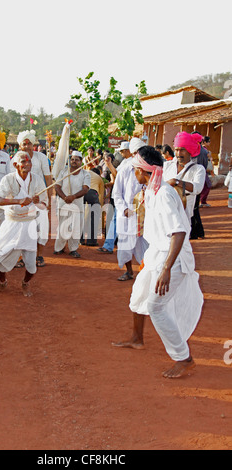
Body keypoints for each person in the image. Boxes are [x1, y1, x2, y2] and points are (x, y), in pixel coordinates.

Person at [113, 146, 204, 379]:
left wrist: (165, 270)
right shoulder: (152, 189)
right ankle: (137, 338)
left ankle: (184, 358)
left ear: (144, 171)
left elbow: (179, 232)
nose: (133, 173)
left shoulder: (163, 193)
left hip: (172, 258)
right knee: (138, 294)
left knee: (156, 306)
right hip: (157, 253)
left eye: (135, 169)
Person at [0, 151, 48, 297]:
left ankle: (25, 283)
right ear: (15, 165)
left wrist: (38, 202)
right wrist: (18, 201)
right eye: (23, 162)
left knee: (31, 264)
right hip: (11, 223)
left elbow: (44, 204)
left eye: (29, 161)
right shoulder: (8, 179)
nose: (27, 164)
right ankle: (2, 282)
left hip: (29, 225)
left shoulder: (37, 180)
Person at [97, 139, 146, 254]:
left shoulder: (132, 162)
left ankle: (116, 246)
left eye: (123, 151)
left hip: (133, 198)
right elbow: (117, 175)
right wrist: (109, 164)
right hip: (123, 198)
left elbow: (117, 175)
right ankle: (110, 245)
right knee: (118, 221)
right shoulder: (125, 162)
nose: (122, 154)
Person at [15, 130, 52, 267]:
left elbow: (48, 179)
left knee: (40, 226)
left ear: (33, 144)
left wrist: (50, 199)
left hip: (40, 197)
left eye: (29, 143)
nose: (26, 147)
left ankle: (39, 256)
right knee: (22, 227)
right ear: (20, 146)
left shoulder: (41, 157)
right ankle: (21, 257)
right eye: (24, 144)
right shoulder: (15, 159)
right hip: (22, 198)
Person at [113, 150, 148, 281]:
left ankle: (146, 273)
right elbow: (116, 194)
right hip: (127, 215)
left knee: (145, 245)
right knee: (125, 246)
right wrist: (124, 209)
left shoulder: (148, 170)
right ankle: (129, 272)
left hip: (144, 214)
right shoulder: (123, 170)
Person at [163, 132, 206, 228]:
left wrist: (176, 182)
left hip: (184, 212)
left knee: (182, 238)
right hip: (165, 210)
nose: (178, 153)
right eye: (177, 150)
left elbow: (197, 188)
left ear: (190, 150)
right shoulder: (167, 166)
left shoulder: (198, 169)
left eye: (182, 150)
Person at [54, 151, 91, 258]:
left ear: (81, 162)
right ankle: (59, 248)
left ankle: (73, 249)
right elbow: (57, 186)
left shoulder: (85, 174)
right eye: (73, 159)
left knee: (76, 229)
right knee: (63, 227)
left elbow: (85, 189)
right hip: (63, 204)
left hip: (77, 206)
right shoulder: (63, 172)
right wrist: (65, 197)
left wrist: (73, 197)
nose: (74, 161)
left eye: (77, 160)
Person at [81, 167, 105, 246]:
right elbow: (101, 196)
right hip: (92, 192)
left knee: (80, 215)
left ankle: (79, 240)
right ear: (99, 174)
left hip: (81, 192)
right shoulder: (99, 178)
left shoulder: (84, 172)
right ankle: (91, 241)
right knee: (94, 217)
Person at [200, 136, 213, 208]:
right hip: (203, 170)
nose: (209, 143)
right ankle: (203, 201)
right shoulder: (204, 150)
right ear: (204, 142)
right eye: (209, 141)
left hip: (202, 170)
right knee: (207, 186)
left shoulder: (201, 149)